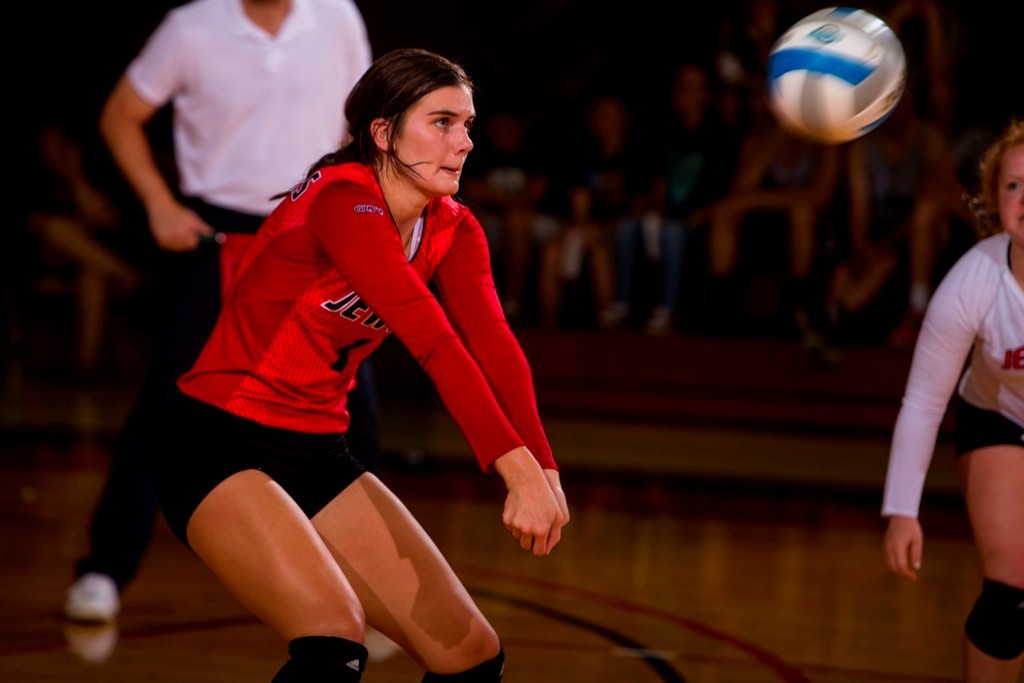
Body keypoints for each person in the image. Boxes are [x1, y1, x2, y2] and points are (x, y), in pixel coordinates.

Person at [151, 47, 569, 681]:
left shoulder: (452, 226)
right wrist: (513, 472)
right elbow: (433, 341)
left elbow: (494, 345)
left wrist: (543, 465)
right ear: (383, 132)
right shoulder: (342, 201)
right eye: (442, 122)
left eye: (467, 125)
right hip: (218, 439)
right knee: (332, 640)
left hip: (317, 450)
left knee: (470, 655)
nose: (463, 142)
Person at [64, 0, 375, 626]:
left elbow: (362, 125)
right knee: (168, 405)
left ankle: (367, 586)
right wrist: (158, 203)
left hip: (314, 231)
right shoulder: (192, 26)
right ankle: (104, 568)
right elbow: (122, 115)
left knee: (353, 409)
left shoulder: (337, 15)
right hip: (217, 239)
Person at [880, 118, 1023, 682]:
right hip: (998, 420)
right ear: (993, 199)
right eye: (1013, 184)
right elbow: (922, 402)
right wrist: (902, 511)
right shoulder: (972, 283)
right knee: (1012, 590)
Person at [22, 118, 145, 380]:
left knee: (92, 276)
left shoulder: (93, 175)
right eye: (48, 143)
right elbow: (35, 224)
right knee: (55, 229)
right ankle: (126, 274)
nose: (53, 149)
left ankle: (85, 367)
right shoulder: (33, 180)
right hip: (46, 258)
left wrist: (75, 175)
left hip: (89, 259)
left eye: (59, 143)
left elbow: (107, 218)